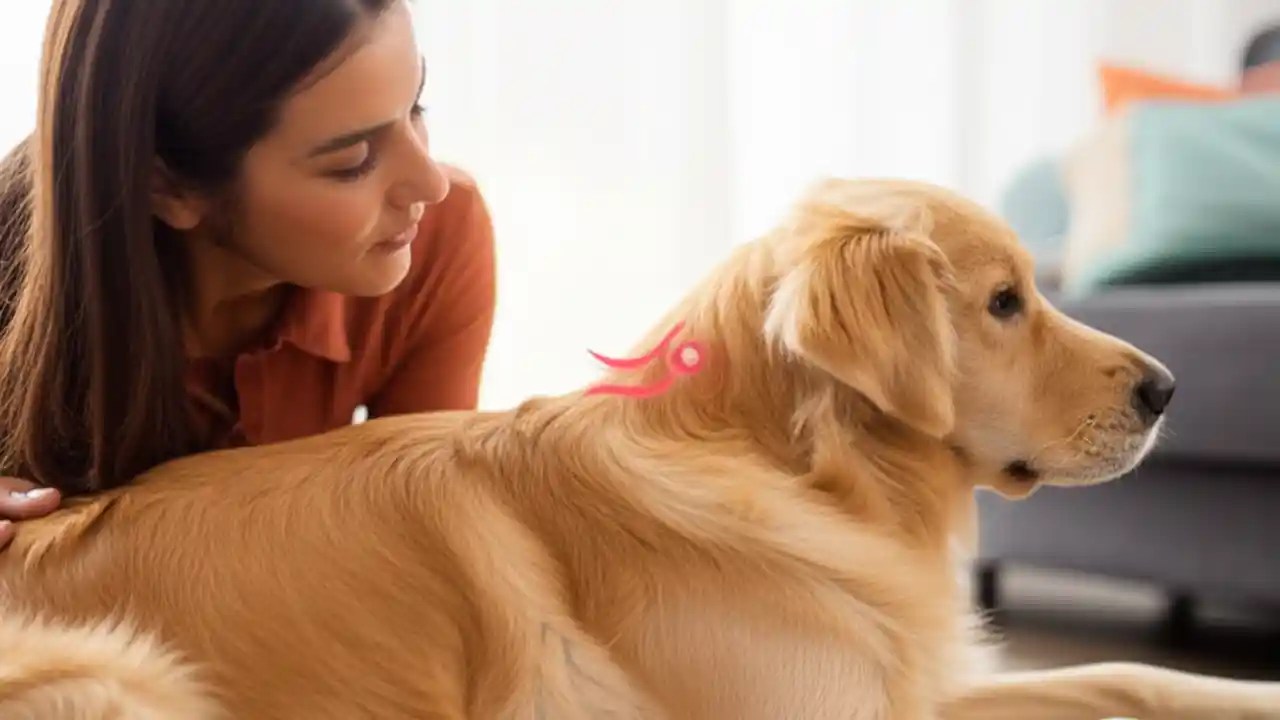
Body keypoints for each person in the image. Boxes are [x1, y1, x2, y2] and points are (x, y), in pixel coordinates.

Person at [0, 0, 496, 549]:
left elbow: (420, 536)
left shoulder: (438, 239)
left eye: (416, 106)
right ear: (165, 187)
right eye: (353, 160)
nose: (431, 185)